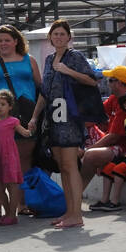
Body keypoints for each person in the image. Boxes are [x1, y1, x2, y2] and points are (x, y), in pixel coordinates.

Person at [30, 19, 101, 229]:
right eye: (55, 34)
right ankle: (69, 212)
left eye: (62, 34)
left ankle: (76, 214)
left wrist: (68, 71)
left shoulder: (75, 57)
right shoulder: (49, 59)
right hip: (54, 119)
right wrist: (35, 116)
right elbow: (45, 92)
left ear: (69, 37)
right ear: (50, 37)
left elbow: (92, 80)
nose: (58, 37)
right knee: (62, 166)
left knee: (71, 167)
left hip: (69, 119)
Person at [0, 24, 41, 218]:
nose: (3, 44)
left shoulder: (30, 60)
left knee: (23, 160)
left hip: (24, 117)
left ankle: (22, 203)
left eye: (7, 40)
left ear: (16, 41)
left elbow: (40, 87)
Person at [78, 65, 126, 194]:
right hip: (114, 143)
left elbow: (114, 137)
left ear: (119, 83)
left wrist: (87, 150)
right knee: (82, 129)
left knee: (90, 155)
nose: (107, 84)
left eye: (110, 80)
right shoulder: (115, 98)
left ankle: (76, 194)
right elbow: (95, 116)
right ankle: (73, 194)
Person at [0, 90, 31, 225]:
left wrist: (31, 129)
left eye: (2, 104)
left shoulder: (13, 121)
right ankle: (8, 213)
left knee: (12, 185)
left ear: (10, 107)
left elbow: (24, 133)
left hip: (9, 157)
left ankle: (12, 215)